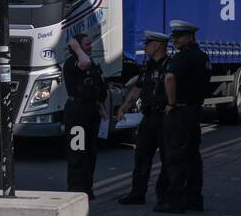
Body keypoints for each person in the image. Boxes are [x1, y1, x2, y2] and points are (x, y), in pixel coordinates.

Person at [157, 20, 212, 214]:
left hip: (180, 111)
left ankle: (174, 201)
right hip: (195, 110)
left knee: (176, 156)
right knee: (193, 156)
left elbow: (170, 77)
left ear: (190, 37)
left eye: (179, 37)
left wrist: (171, 103)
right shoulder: (203, 57)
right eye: (174, 37)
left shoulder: (183, 57)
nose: (175, 40)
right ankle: (194, 198)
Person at [115, 31, 170, 205]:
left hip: (164, 118)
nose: (144, 46)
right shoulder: (148, 65)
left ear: (158, 45)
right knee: (141, 157)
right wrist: (124, 107)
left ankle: (164, 197)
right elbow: (138, 88)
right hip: (148, 117)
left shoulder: (170, 65)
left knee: (167, 159)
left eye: (147, 43)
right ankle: (137, 194)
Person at [62, 32, 107, 199]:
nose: (91, 47)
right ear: (78, 47)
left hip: (90, 111)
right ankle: (76, 188)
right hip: (77, 113)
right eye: (87, 44)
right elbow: (85, 62)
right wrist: (76, 47)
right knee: (77, 150)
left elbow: (97, 86)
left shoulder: (91, 62)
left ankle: (87, 188)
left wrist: (101, 107)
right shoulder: (73, 62)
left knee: (90, 152)